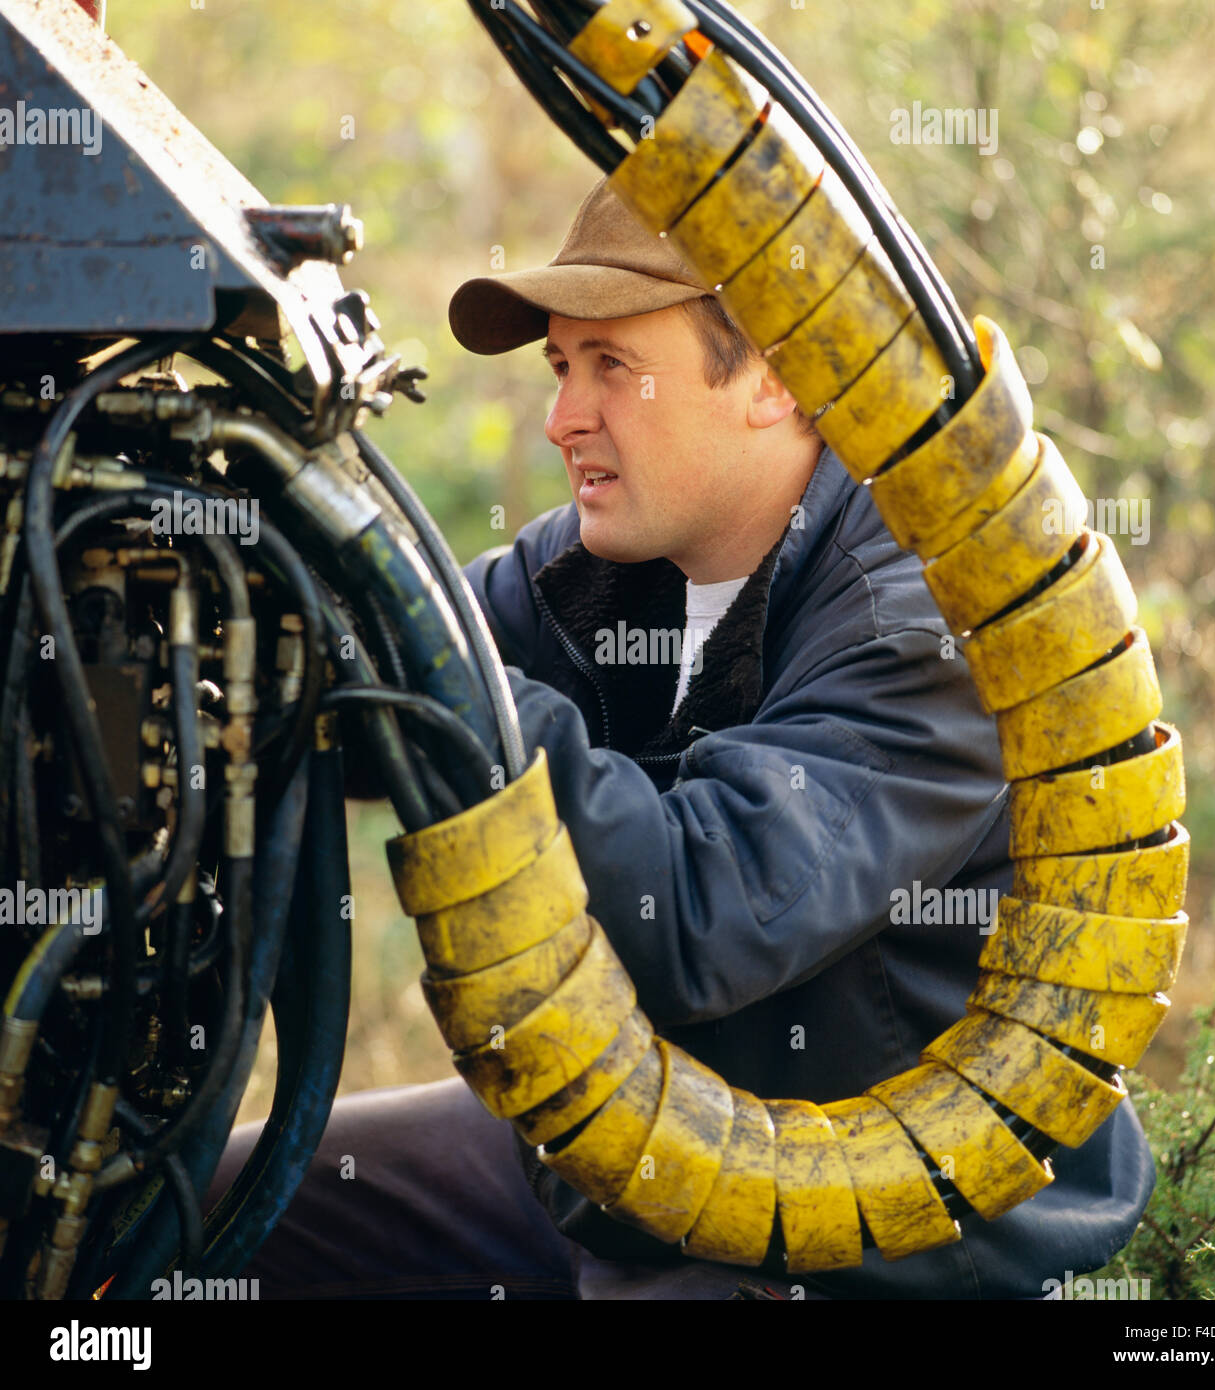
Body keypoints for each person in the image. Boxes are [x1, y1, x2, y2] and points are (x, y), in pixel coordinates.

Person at [208, 177, 1155, 1299]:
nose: (563, 416)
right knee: (206, 1213)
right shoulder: (603, 560)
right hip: (624, 1167)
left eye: (614, 364)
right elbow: (388, 667)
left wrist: (444, 690)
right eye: (562, 366)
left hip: (865, 1234)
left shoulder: (929, 611)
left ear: (773, 373)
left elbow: (695, 910)